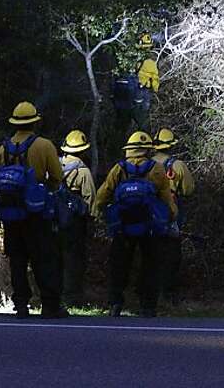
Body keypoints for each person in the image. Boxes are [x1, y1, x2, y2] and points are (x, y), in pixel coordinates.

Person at [93, 131, 176, 317]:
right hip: (149, 227)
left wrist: (103, 215)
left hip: (123, 226)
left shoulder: (119, 169)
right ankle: (148, 305)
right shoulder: (157, 169)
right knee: (150, 265)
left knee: (119, 265)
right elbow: (166, 199)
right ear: (147, 150)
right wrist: (171, 217)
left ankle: (115, 302)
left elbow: (101, 196)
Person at [0, 101, 65, 318]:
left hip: (10, 212)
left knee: (17, 259)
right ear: (35, 121)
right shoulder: (44, 145)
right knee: (43, 258)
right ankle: (50, 305)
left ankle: (21, 304)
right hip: (36, 212)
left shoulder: (3, 148)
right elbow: (57, 177)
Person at [151, 127, 194, 300]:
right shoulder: (178, 165)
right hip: (172, 213)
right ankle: (168, 293)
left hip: (151, 213)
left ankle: (151, 292)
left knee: (152, 252)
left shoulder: (147, 165)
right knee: (172, 253)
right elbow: (189, 189)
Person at [58, 129, 95, 305]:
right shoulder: (83, 171)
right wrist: (93, 219)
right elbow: (90, 199)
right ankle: (72, 297)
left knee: (55, 256)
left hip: (55, 217)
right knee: (74, 258)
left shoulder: (56, 164)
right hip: (75, 220)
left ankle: (53, 294)